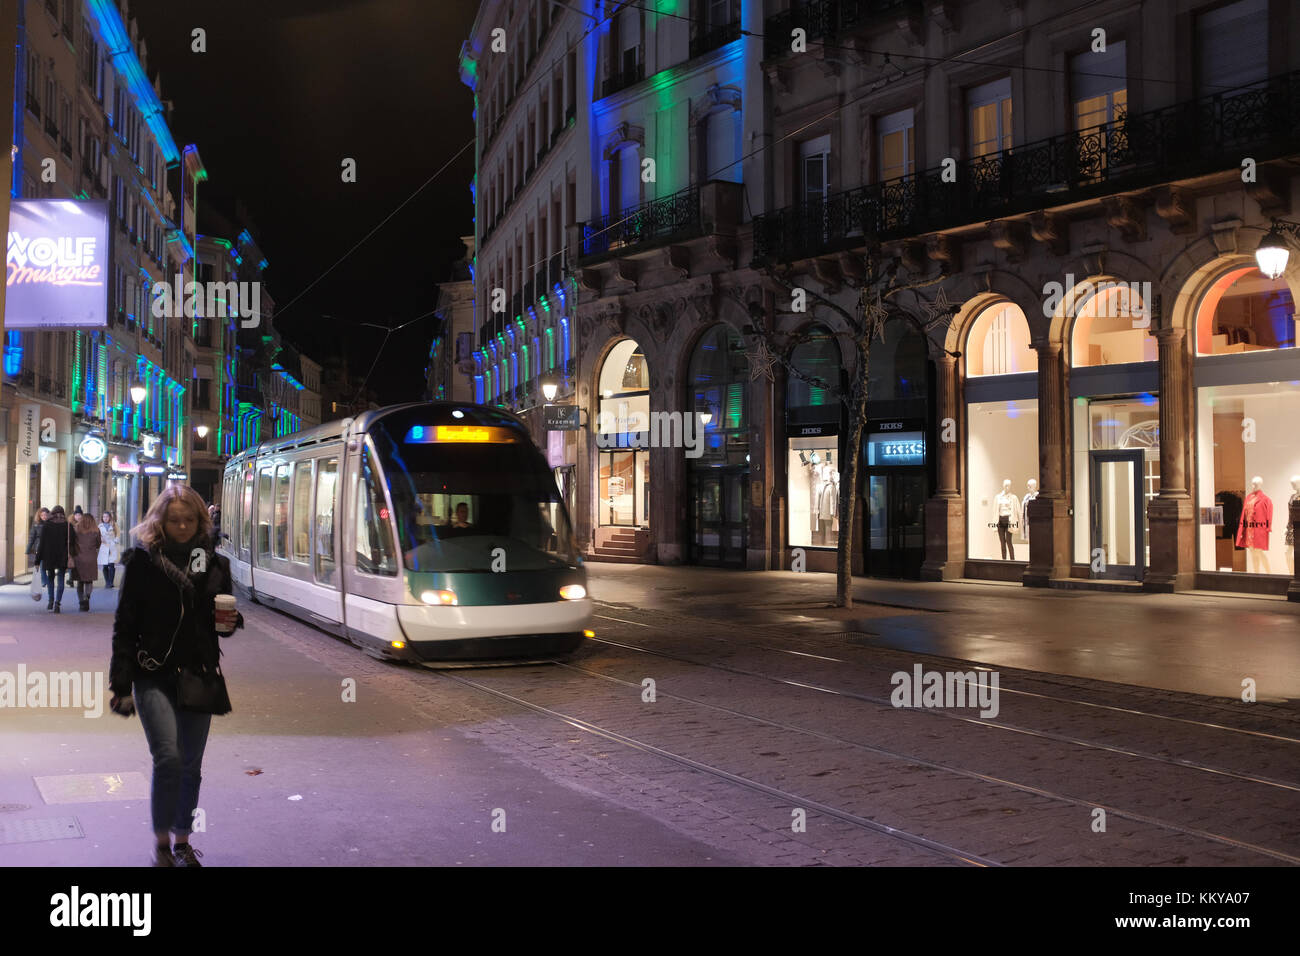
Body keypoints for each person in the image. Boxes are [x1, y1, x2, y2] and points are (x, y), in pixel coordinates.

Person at [108, 485, 242, 867]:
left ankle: (183, 842)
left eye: (189, 520)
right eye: (173, 520)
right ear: (160, 522)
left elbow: (220, 623)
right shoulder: (143, 563)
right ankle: (163, 846)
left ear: (201, 521)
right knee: (168, 756)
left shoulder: (212, 565)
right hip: (153, 673)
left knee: (190, 765)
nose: (182, 527)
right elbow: (124, 626)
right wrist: (121, 684)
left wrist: (230, 623)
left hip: (199, 674)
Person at [36, 506, 70, 612]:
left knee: (50, 577)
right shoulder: (67, 525)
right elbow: (72, 542)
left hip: (49, 556)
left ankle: (50, 600)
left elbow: (41, 544)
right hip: (62, 556)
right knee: (61, 579)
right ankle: (57, 603)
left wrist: (37, 560)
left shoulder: (47, 525)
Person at [70, 513, 102, 612]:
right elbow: (98, 544)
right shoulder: (96, 530)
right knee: (89, 581)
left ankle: (81, 602)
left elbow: (71, 542)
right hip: (91, 558)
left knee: (80, 582)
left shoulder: (76, 529)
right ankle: (87, 597)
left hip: (78, 558)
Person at [98, 512, 121, 588]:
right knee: (105, 566)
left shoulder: (114, 524)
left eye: (107, 517)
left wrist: (115, 541)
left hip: (112, 546)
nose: (105, 518)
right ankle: (107, 582)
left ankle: (111, 582)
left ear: (110, 517)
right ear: (102, 518)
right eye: (104, 517)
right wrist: (100, 539)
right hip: (104, 546)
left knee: (111, 565)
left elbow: (118, 533)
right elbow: (98, 535)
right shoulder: (100, 526)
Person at [26, 507, 50, 574]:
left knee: (49, 567)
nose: (44, 516)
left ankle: (46, 581)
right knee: (42, 565)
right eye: (42, 515)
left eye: (45, 515)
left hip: (50, 548)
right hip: (39, 548)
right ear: (39, 516)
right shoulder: (36, 525)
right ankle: (44, 581)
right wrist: (28, 549)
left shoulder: (51, 524)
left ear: (48, 515)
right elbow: (32, 537)